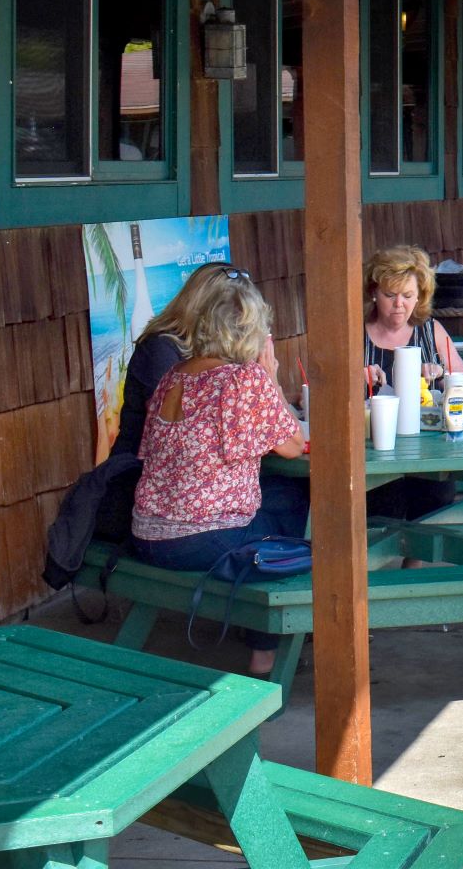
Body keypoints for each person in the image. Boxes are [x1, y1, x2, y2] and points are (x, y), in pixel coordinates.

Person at [128, 269, 308, 676]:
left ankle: (267, 631)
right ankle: (265, 651)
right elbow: (293, 445)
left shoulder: (174, 376)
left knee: (276, 500)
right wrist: (271, 377)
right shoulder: (243, 378)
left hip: (147, 536)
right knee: (296, 504)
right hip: (203, 540)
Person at [113, 261, 255, 458]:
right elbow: (177, 428)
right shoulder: (160, 347)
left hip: (200, 471)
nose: (240, 324)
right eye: (233, 311)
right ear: (205, 309)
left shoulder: (219, 348)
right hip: (144, 473)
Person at [364, 245, 463, 400]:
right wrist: (354, 378)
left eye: (408, 295)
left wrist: (442, 375)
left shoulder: (431, 331)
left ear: (419, 296)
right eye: (390, 295)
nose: (399, 303)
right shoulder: (355, 334)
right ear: (373, 292)